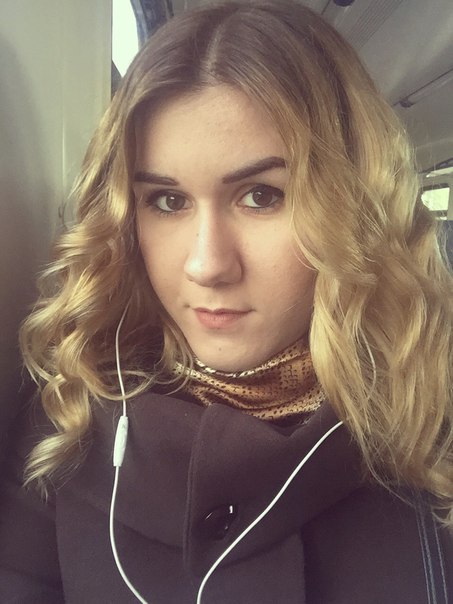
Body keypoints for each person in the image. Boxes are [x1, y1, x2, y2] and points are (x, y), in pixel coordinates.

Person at [1, 1, 452, 602]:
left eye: (261, 196)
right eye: (167, 201)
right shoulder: (66, 420)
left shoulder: (431, 419)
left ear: (355, 206)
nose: (206, 265)